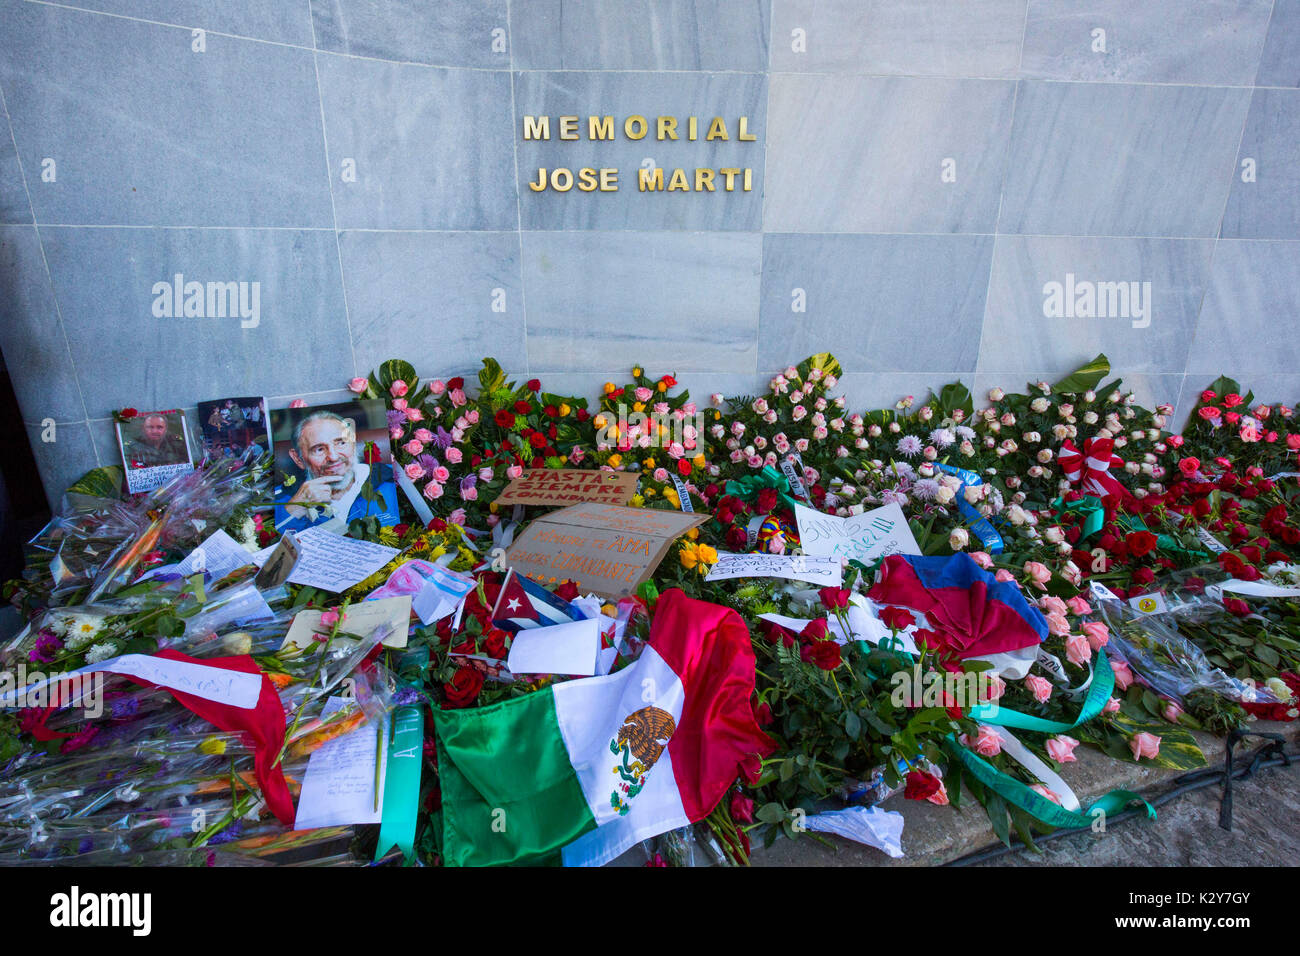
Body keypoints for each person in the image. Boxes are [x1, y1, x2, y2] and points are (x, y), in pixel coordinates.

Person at [274, 409, 397, 532]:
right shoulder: (279, 500)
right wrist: (295, 508)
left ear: (353, 443)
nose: (333, 457)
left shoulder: (394, 478)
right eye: (319, 449)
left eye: (341, 443)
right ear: (298, 459)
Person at [123, 414, 191, 469]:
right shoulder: (131, 448)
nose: (154, 431)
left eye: (159, 427)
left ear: (166, 429)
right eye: (150, 427)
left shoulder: (177, 445)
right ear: (143, 429)